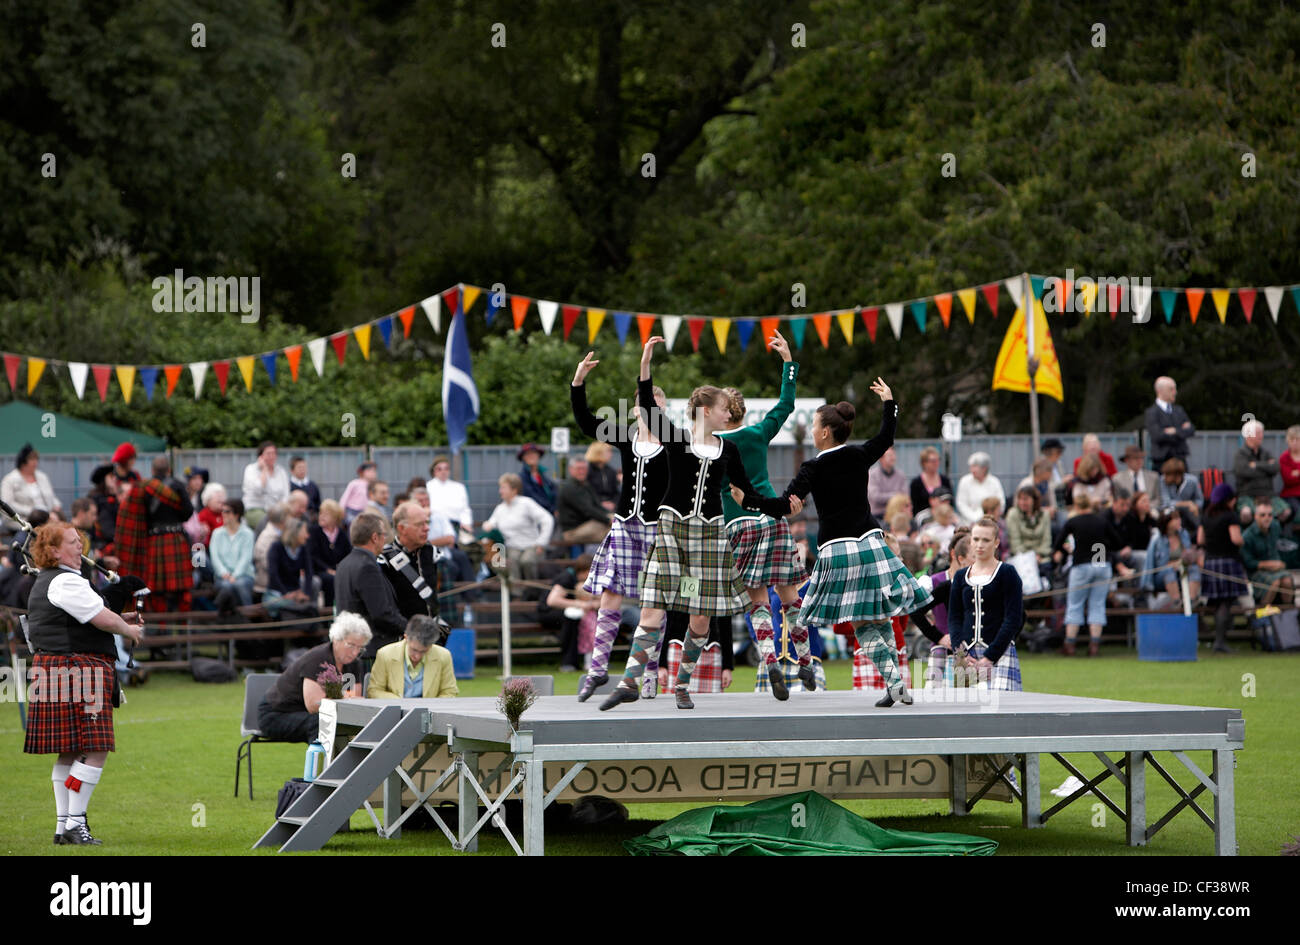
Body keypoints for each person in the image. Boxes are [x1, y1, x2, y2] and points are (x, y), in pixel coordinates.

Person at [601, 336, 795, 711]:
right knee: (652, 610)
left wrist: (782, 506)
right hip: (673, 533)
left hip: (709, 538)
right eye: (724, 408)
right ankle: (628, 681)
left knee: (700, 620)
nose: (730, 413)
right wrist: (645, 364)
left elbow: (748, 495)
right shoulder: (676, 440)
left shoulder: (729, 449)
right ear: (706, 411)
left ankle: (682, 684)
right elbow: (645, 402)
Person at [770, 380, 932, 708]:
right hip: (872, 544)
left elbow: (783, 504)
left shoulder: (813, 467)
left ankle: (895, 682)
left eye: (815, 425)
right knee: (881, 617)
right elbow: (886, 437)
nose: (813, 430)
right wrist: (889, 402)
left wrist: (749, 501)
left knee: (862, 625)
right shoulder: (859, 455)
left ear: (826, 432)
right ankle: (895, 683)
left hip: (838, 552)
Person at [22, 521, 145, 845]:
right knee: (95, 750)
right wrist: (127, 630)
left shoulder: (57, 581)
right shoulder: (65, 581)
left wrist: (123, 619)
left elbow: (88, 617)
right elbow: (100, 618)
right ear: (53, 550)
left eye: (80, 541)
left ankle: (63, 827)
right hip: (77, 670)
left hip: (60, 669)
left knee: (69, 752)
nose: (81, 547)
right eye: (73, 542)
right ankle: (75, 822)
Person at [717, 330, 815, 698]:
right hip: (772, 522)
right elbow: (786, 405)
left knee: (757, 600)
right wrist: (789, 363)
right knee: (791, 597)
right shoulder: (757, 433)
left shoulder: (712, 446)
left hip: (739, 525)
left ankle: (770, 658)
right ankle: (805, 661)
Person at [570, 350, 671, 701]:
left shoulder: (673, 443)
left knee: (653, 602)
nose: (650, 406)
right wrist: (579, 381)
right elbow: (585, 422)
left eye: (657, 402)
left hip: (659, 529)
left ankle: (648, 670)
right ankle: (597, 670)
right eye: (646, 402)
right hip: (626, 525)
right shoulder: (627, 437)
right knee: (611, 593)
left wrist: (645, 367)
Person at [257, 612, 367, 742]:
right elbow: (314, 705)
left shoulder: (355, 664)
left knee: (347, 721)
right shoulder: (317, 659)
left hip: (306, 715)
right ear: (336, 639)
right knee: (322, 722)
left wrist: (348, 700)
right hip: (276, 715)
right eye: (351, 645)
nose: (355, 652)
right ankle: (323, 762)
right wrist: (347, 700)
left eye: (360, 648)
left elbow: (355, 702)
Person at [948, 517, 1025, 688]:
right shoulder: (961, 576)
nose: (979, 545)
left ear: (996, 542)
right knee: (967, 710)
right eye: (976, 539)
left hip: (1000, 651)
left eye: (986, 540)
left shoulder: (1007, 572)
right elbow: (954, 617)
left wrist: (990, 657)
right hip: (968, 654)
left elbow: (1013, 618)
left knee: (1003, 710)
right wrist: (961, 654)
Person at [1052, 492, 1130, 656]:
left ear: (1076, 506)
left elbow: (1059, 543)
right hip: (1101, 563)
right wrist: (1100, 544)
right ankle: (1094, 645)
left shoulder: (1073, 522)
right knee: (1097, 604)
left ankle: (1070, 645)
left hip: (1081, 565)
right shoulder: (1102, 521)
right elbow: (1117, 542)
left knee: (1075, 604)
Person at [334, 512, 408, 660]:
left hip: (351, 648)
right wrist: (409, 628)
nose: (385, 540)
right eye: (384, 535)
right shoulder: (367, 566)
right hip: (372, 649)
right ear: (375, 537)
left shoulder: (344, 564)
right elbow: (381, 613)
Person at [482, 473, 554, 589]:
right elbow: (491, 523)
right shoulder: (500, 509)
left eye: (503, 488)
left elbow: (547, 519)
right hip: (511, 547)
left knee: (527, 561)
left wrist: (542, 542)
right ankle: (517, 595)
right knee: (512, 561)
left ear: (514, 490)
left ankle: (532, 591)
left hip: (532, 546)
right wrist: (487, 525)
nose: (500, 491)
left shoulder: (527, 503)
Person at [1198, 484, 1246, 654]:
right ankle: (1220, 641)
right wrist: (1242, 540)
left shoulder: (1206, 516)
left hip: (1210, 562)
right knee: (1225, 603)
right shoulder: (1230, 516)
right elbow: (1236, 539)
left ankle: (1219, 640)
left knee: (1218, 604)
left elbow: (1200, 540)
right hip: (1227, 562)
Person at [142, 457, 192, 612]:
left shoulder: (146, 488)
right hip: (176, 539)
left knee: (157, 589)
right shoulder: (177, 485)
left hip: (154, 541)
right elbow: (188, 512)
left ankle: (161, 626)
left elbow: (141, 516)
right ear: (169, 470)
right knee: (181, 588)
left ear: (152, 471)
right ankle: (182, 626)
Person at [382, 501, 445, 624]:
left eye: (427, 522)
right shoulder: (384, 559)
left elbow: (442, 599)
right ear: (402, 528)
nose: (427, 528)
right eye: (420, 524)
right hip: (400, 635)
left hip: (430, 633)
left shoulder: (433, 554)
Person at [367, 615, 459, 699]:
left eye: (424, 651)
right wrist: (399, 704)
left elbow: (449, 692)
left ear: (432, 645)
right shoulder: (385, 654)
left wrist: (430, 708)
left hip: (428, 715)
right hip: (393, 714)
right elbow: (374, 691)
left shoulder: (444, 656)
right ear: (406, 637)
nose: (418, 656)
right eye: (414, 650)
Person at [546, 554, 598, 672]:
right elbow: (552, 600)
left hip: (569, 612)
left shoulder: (582, 581)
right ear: (584, 570)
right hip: (550, 613)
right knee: (571, 617)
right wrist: (581, 604)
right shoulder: (567, 577)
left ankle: (588, 661)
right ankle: (567, 662)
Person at [1143, 510, 1202, 610]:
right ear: (1167, 522)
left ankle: (1191, 601)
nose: (1179, 520)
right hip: (1162, 576)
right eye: (1175, 519)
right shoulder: (1157, 539)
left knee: (1194, 569)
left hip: (1181, 573)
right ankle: (1176, 602)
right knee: (1169, 572)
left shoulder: (1184, 535)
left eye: (1179, 518)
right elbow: (1150, 563)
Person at [1233, 419, 1287, 525]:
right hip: (1248, 494)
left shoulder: (1266, 452)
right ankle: (1248, 538)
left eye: (1261, 433)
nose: (1261, 436)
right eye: (1258, 433)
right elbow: (1244, 472)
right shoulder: (1240, 454)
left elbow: (1275, 468)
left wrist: (1256, 465)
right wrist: (1266, 468)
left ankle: (1274, 536)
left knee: (1286, 512)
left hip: (1268, 495)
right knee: (1246, 513)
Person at [1241, 502, 1294, 607]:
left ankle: (1288, 613)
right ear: (1255, 516)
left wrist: (1278, 564)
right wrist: (1270, 564)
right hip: (1257, 572)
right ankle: (1263, 614)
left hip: (1276, 569)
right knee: (1274, 583)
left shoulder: (1275, 526)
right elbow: (1249, 563)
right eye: (1262, 515)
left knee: (1287, 581)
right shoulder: (1248, 536)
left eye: (1270, 515)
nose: (1267, 518)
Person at [210, 498, 255, 611]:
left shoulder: (248, 534)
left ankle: (248, 615)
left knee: (240, 584)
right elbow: (215, 557)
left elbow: (246, 558)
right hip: (222, 577)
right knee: (227, 586)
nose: (223, 514)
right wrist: (223, 573)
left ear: (237, 514)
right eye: (223, 511)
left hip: (244, 575)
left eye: (227, 511)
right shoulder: (217, 533)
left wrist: (235, 575)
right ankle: (225, 619)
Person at [556, 457, 612, 545]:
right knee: (614, 531)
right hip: (573, 531)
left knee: (617, 523)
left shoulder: (586, 484)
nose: (582, 471)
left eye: (584, 468)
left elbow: (597, 506)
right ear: (570, 470)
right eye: (578, 468)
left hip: (588, 524)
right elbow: (588, 510)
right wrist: (608, 520)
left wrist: (611, 515)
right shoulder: (569, 488)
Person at [1144, 376, 1196, 471]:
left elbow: (1191, 430)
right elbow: (1157, 435)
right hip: (1161, 461)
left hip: (1180, 459)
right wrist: (1181, 431)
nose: (1175, 392)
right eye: (1171, 389)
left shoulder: (1179, 410)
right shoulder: (1152, 412)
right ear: (1160, 391)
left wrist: (1174, 431)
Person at [265, 516, 316, 610]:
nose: (307, 536)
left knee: (309, 605)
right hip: (277, 593)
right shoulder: (276, 547)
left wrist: (306, 594)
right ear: (295, 533)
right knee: (290, 605)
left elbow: (309, 572)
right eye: (304, 532)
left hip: (295, 591)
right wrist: (286, 593)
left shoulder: (303, 548)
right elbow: (273, 574)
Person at [308, 499, 352, 607]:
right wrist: (328, 570)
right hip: (319, 571)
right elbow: (312, 557)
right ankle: (329, 612)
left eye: (326, 514)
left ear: (335, 518)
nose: (321, 516)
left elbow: (348, 555)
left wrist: (341, 569)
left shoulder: (342, 534)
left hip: (338, 570)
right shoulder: (314, 532)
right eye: (321, 513)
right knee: (331, 579)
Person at [2, 444, 62, 518]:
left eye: (36, 459)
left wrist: (56, 505)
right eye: (31, 459)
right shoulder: (9, 479)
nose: (35, 462)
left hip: (48, 517)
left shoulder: (42, 477)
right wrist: (33, 512)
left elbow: (52, 497)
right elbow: (8, 504)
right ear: (23, 462)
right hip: (23, 521)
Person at [241, 441, 289, 531]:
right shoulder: (251, 469)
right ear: (261, 456)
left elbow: (286, 494)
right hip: (255, 509)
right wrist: (264, 470)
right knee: (270, 525)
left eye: (273, 453)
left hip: (277, 510)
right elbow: (258, 489)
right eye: (268, 454)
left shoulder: (281, 471)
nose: (271, 456)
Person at [426, 456, 475, 538]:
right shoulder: (427, 487)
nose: (443, 472)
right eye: (439, 469)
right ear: (434, 471)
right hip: (435, 526)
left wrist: (466, 523)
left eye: (446, 468)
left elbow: (465, 509)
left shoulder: (459, 487)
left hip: (456, 525)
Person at [955, 452, 1005, 524]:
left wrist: (987, 517)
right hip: (969, 522)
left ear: (984, 468)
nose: (972, 470)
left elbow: (1001, 503)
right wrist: (974, 518)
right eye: (971, 466)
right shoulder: (964, 481)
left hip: (991, 522)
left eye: (975, 466)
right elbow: (961, 503)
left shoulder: (994, 482)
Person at [1006, 486, 1051, 565]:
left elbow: (1046, 539)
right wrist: (1030, 557)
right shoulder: (1013, 514)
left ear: (1034, 500)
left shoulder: (1044, 515)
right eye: (1020, 499)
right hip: (1021, 557)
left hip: (1041, 557)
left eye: (1025, 499)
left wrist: (1039, 555)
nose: (1022, 502)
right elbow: (1015, 541)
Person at [1156, 457, 1204, 530]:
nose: (1165, 476)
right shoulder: (1163, 480)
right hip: (1172, 509)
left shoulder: (1192, 481)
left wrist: (1195, 506)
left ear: (1177, 475)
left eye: (1168, 474)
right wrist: (1187, 503)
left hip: (1188, 511)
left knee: (1194, 513)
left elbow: (1199, 500)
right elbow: (1166, 502)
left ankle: (1197, 534)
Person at [909, 446, 952, 520]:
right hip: (924, 518)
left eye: (938, 460)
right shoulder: (916, 483)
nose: (936, 463)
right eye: (932, 461)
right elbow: (915, 506)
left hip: (944, 517)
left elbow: (951, 502)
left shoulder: (945, 480)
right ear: (924, 463)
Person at [868, 446, 909, 519]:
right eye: (889, 455)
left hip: (898, 515)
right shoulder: (872, 475)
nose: (893, 458)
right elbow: (876, 497)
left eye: (894, 455)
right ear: (881, 458)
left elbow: (905, 496)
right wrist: (896, 495)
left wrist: (886, 496)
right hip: (878, 515)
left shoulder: (901, 475)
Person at [517, 443, 558, 513]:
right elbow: (532, 498)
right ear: (523, 458)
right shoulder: (521, 478)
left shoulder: (544, 477)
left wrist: (556, 508)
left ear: (538, 456)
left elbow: (554, 494)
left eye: (534, 453)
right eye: (528, 454)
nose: (531, 456)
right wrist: (552, 510)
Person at [585, 441, 621, 511]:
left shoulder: (611, 471)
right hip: (592, 509)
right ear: (598, 452)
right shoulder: (587, 470)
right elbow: (586, 492)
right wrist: (599, 503)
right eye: (608, 451)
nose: (611, 454)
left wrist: (613, 503)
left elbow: (616, 492)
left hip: (611, 508)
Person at [288, 456, 321, 520]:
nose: (302, 470)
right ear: (292, 470)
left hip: (312, 518)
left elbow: (318, 505)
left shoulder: (313, 485)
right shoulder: (288, 486)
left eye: (304, 467)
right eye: (299, 468)